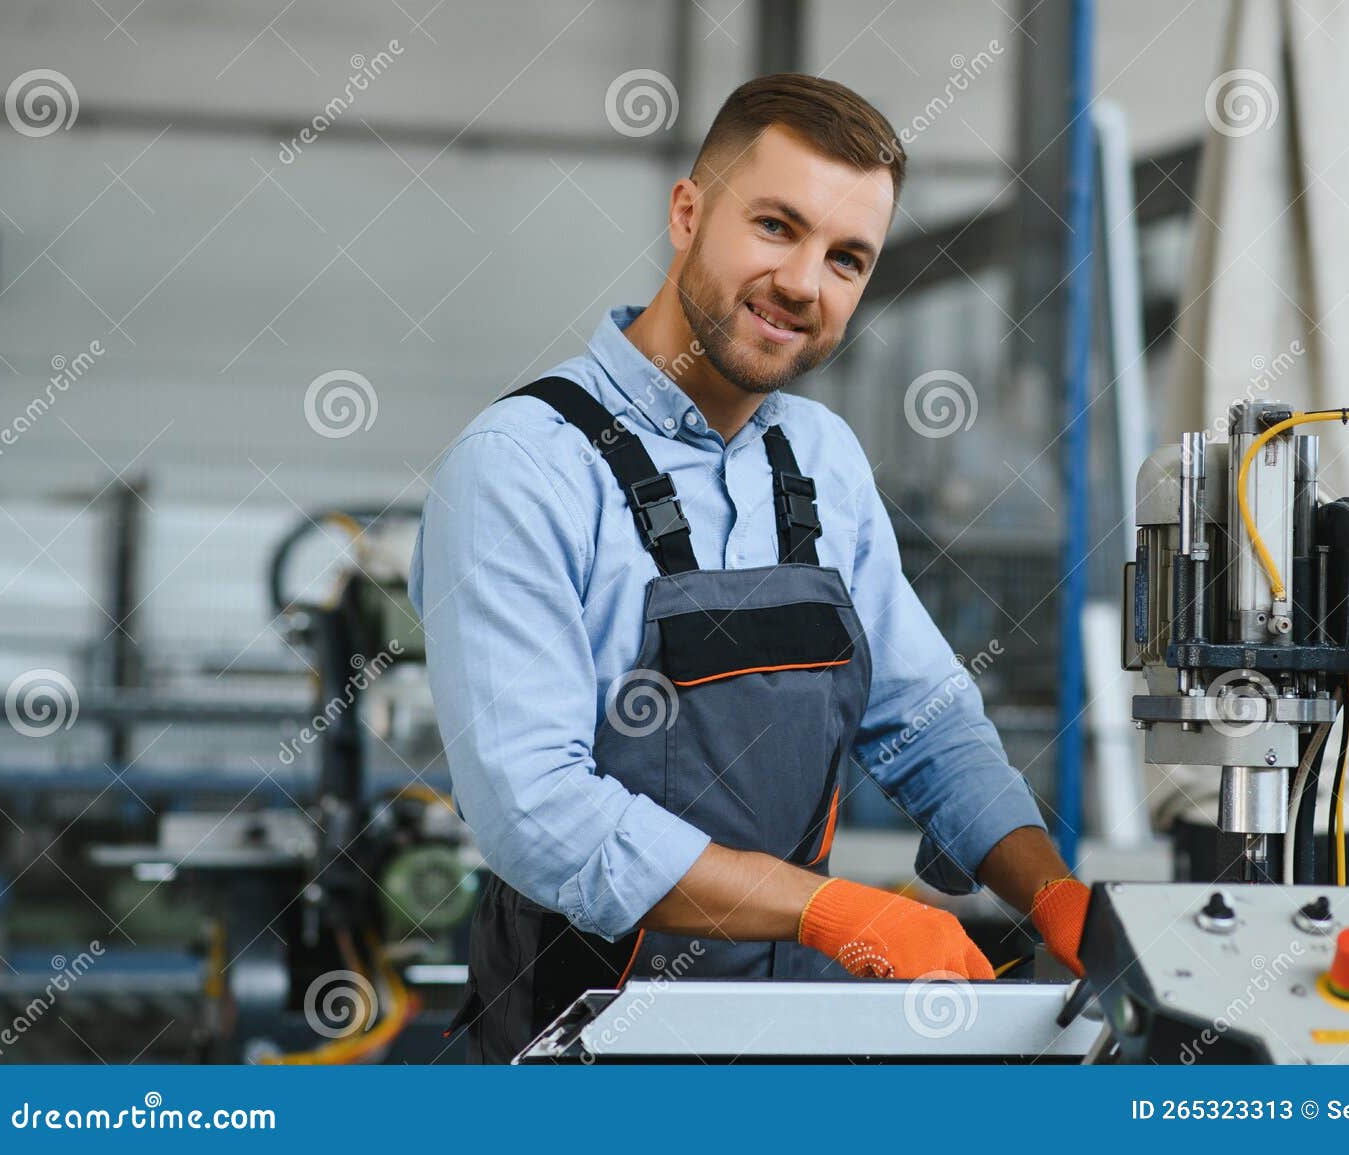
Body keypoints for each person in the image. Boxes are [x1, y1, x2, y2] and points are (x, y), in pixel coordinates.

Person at [411, 73, 1091, 1063]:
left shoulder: (820, 461)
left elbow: (926, 721)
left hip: (790, 1046)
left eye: (847, 258)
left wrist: (1050, 890)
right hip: (580, 1051)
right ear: (687, 211)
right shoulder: (521, 465)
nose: (804, 284)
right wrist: (840, 915)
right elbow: (539, 814)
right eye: (776, 226)